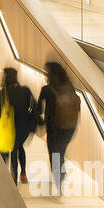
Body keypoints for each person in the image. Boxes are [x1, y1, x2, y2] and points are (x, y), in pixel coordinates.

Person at [38, 59, 80, 198]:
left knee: (55, 155)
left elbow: (38, 110)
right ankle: (61, 178)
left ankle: (60, 186)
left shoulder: (46, 90)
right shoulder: (69, 86)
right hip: (70, 126)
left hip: (55, 127)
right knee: (60, 153)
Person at [0, 66, 36, 185]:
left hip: (10, 127)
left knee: (9, 151)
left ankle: (11, 179)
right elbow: (33, 106)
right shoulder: (25, 90)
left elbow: (0, 114)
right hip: (24, 126)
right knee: (18, 147)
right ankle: (22, 174)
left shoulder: (4, 92)